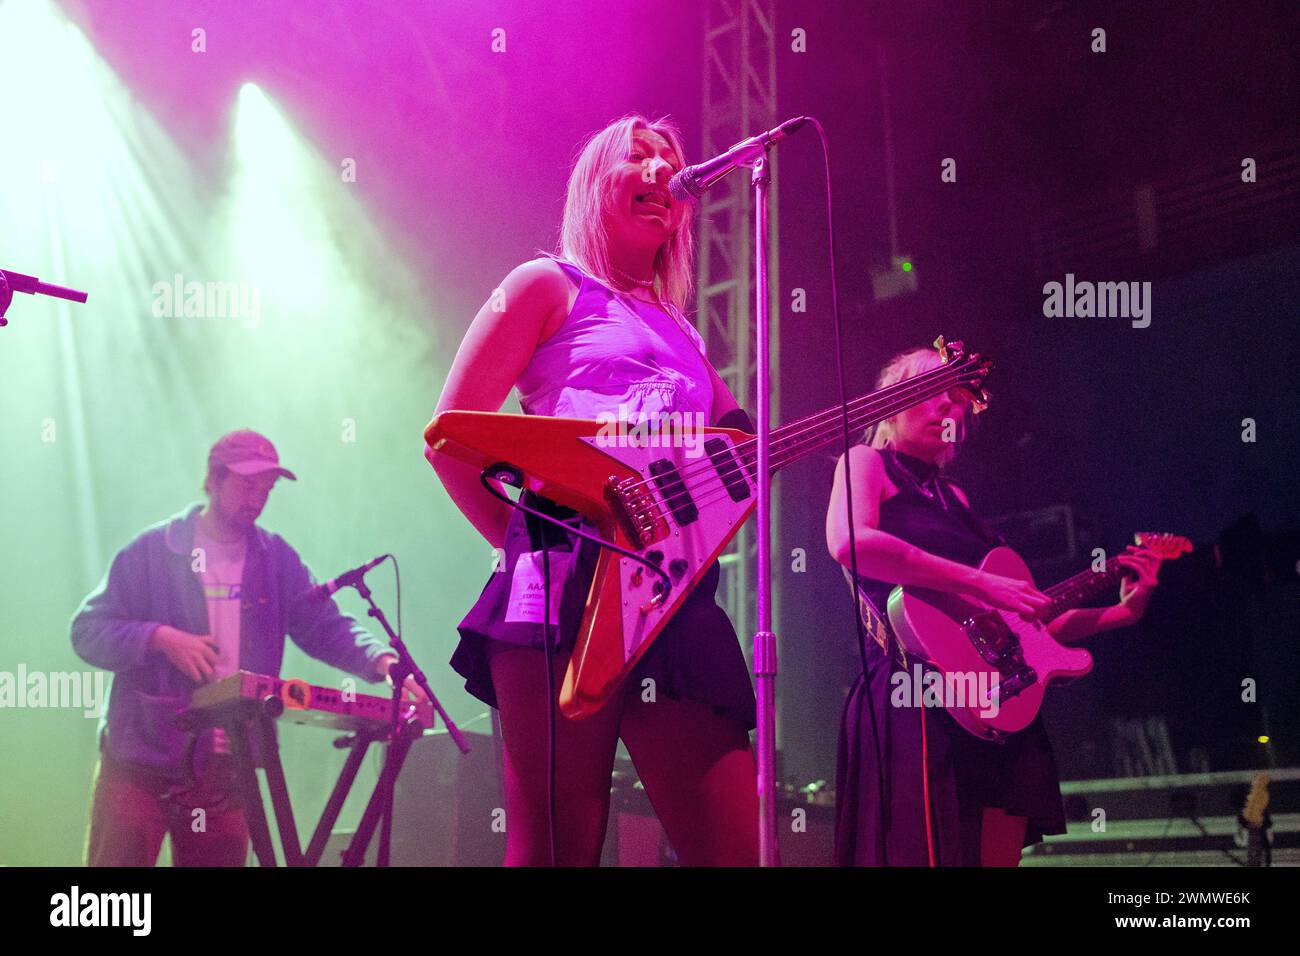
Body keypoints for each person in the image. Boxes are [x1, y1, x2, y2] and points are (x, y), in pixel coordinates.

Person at [428, 115, 759, 866]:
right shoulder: (546, 284)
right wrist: (533, 552)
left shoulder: (684, 329)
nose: (662, 169)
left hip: (670, 588)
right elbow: (449, 441)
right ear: (593, 182)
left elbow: (737, 452)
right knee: (554, 849)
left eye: (671, 161)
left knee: (736, 848)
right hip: (560, 574)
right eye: (638, 156)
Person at [825, 347, 1166, 866]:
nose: (949, 406)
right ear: (892, 404)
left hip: (996, 699)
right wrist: (983, 584)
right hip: (913, 694)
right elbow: (851, 542)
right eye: (932, 390)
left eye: (960, 398)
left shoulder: (955, 499)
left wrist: (1122, 613)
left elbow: (1023, 626)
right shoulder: (865, 463)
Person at [71, 429, 418, 866]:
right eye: (247, 484)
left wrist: (382, 661)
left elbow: (325, 625)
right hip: (142, 760)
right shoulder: (153, 550)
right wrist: (157, 638)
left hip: (228, 766)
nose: (257, 497)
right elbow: (87, 630)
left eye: (267, 488)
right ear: (213, 479)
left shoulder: (275, 559)